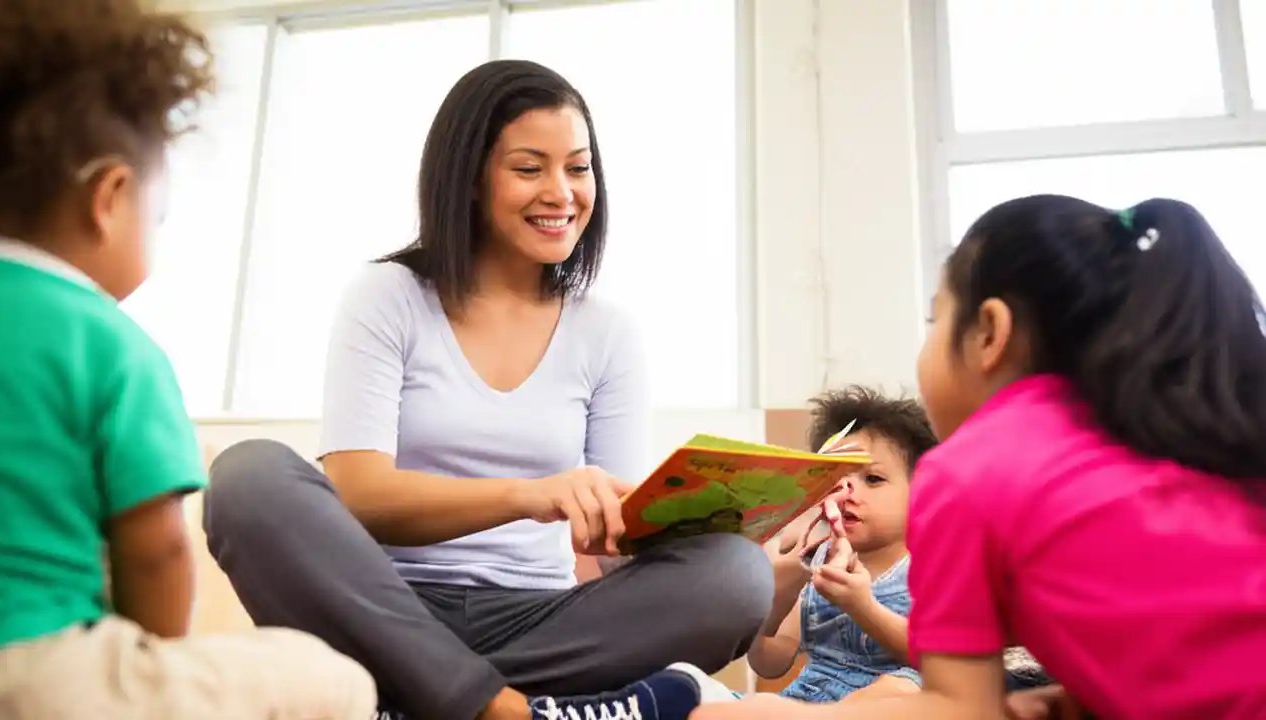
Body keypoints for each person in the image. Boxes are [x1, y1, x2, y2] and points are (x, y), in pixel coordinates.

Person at [203, 59, 772, 720]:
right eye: (530, 169)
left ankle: (413, 697)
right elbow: (358, 495)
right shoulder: (387, 296)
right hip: (382, 599)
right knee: (246, 478)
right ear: (469, 179)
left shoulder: (607, 333)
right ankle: (513, 708)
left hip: (540, 621)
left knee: (736, 575)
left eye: (578, 168)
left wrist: (712, 524)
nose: (562, 192)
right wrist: (526, 496)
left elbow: (611, 549)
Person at [695, 194, 1266, 720]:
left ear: (989, 332)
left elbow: (957, 706)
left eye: (934, 319)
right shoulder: (1173, 434)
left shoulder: (970, 469)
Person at [0, 2, 377, 719]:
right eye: (154, 215)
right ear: (108, 199)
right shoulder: (108, 342)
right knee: (334, 680)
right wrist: (158, 659)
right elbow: (157, 551)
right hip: (39, 676)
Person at [751, 387, 935, 703]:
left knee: (901, 687)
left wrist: (860, 605)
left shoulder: (930, 566)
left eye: (873, 479)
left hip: (894, 700)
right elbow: (770, 662)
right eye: (832, 479)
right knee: (712, 697)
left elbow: (938, 661)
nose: (846, 491)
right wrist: (776, 596)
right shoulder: (817, 558)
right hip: (808, 701)